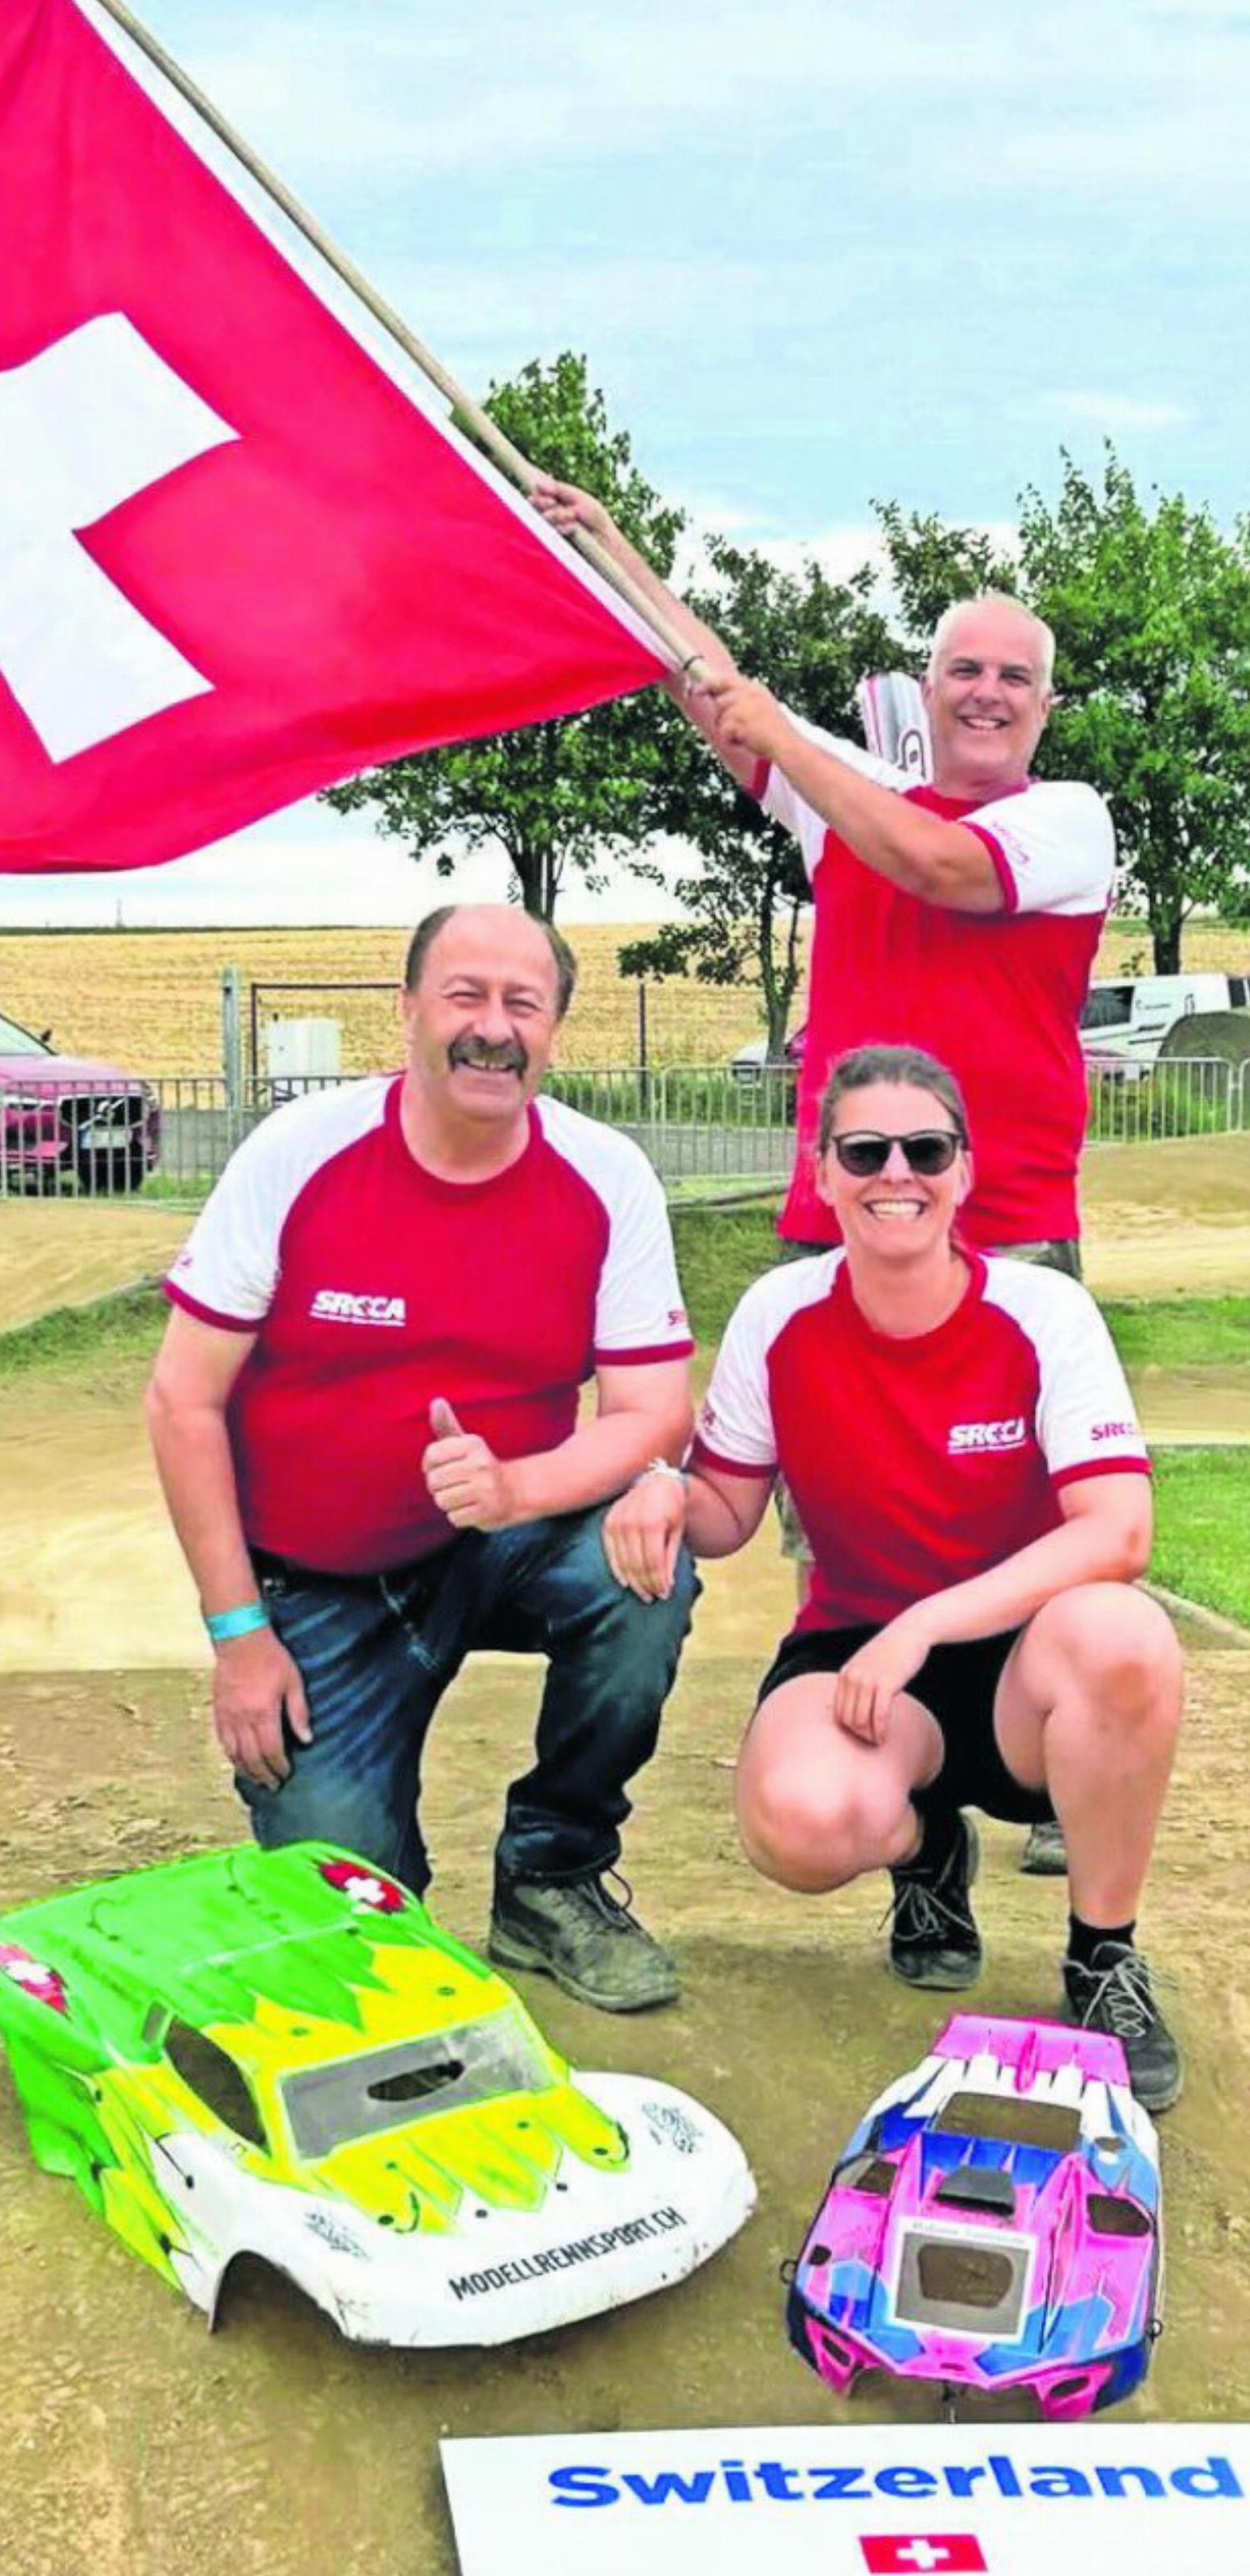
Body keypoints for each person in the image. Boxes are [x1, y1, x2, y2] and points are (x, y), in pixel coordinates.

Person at [534, 477, 1111, 1884]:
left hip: (1009, 1228)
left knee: (1037, 1513)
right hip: (839, 1220)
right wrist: (611, 551)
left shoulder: (1065, 820)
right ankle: (915, 1825)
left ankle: (1038, 1753)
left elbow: (937, 860)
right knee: (845, 1529)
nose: (987, 693)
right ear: (930, 685)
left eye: (1014, 677)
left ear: (1043, 707)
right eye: (964, 669)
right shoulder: (841, 800)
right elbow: (711, 690)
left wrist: (786, 740)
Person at [601, 1044, 1183, 2109]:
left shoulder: (1043, 1312)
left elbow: (1119, 1531)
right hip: (858, 1654)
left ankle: (1103, 1954)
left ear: (966, 1171)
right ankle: (927, 1852)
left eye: (927, 1149)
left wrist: (925, 1625)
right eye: (865, 1151)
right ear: (822, 1173)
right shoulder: (779, 1314)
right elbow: (727, 1512)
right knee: (797, 1822)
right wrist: (662, 1490)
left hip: (1025, 1663)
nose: (897, 1173)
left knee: (1126, 1633)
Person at [145, 901, 697, 2011]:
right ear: (406, 1010)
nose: (493, 1028)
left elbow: (652, 1409)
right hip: (319, 1584)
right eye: (465, 996)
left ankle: (552, 1872)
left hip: (503, 1544)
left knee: (647, 1570)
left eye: (523, 1004)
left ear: (554, 1029)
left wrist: (519, 1487)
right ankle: (379, 1874)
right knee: (360, 1926)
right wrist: (240, 1636)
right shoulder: (300, 1154)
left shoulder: (607, 1176)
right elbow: (181, 1400)